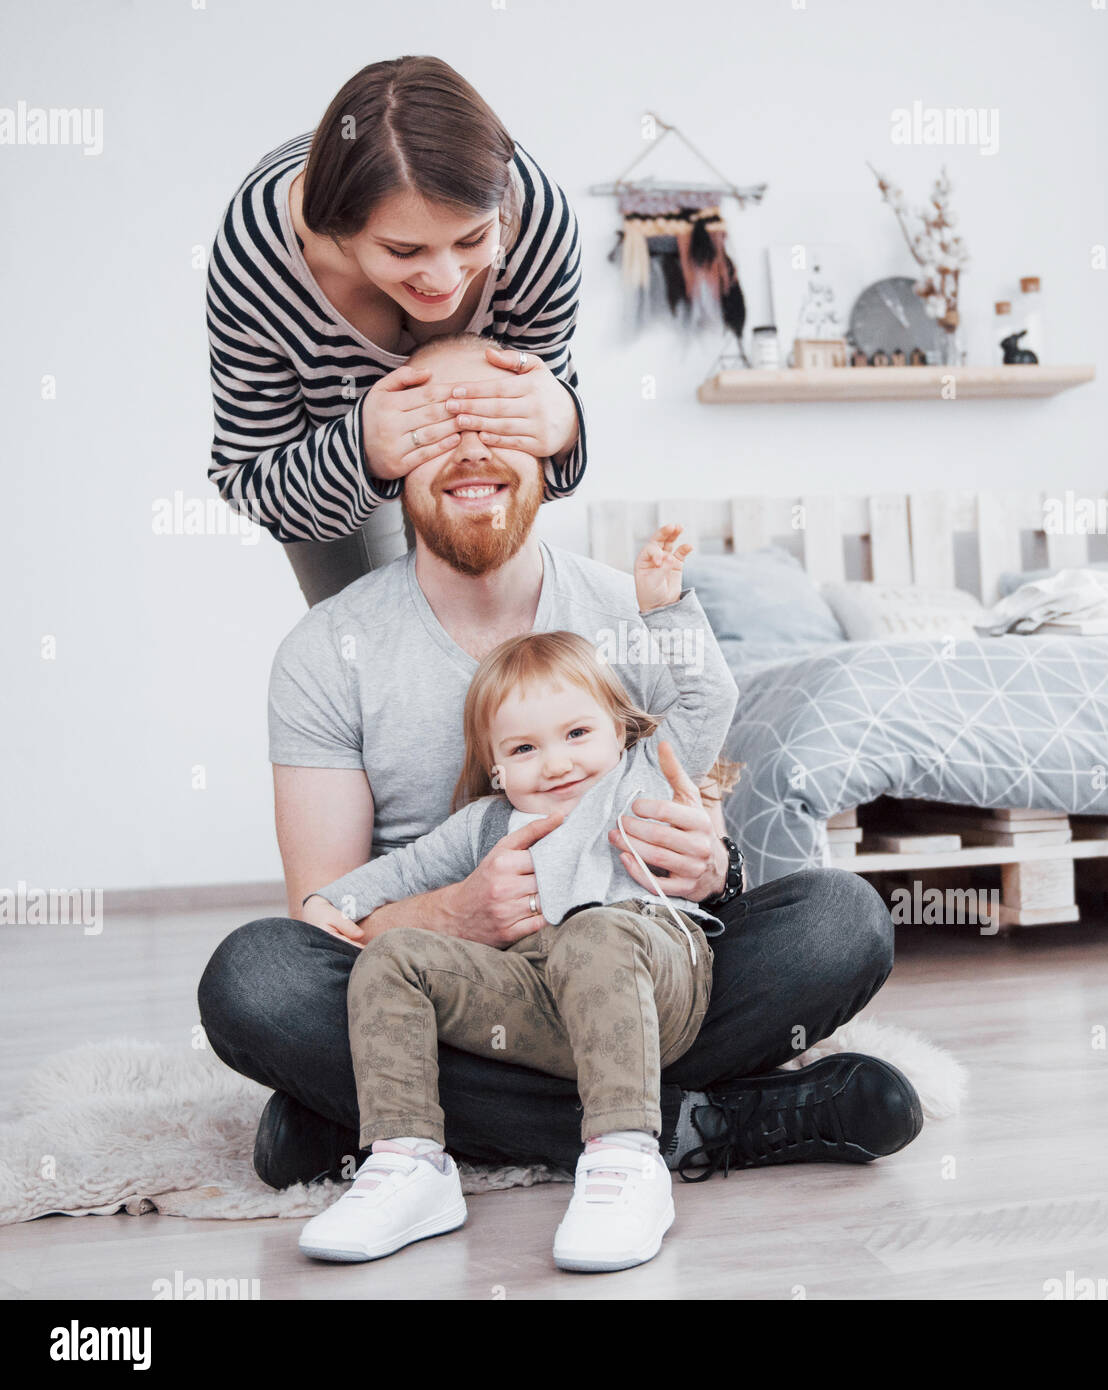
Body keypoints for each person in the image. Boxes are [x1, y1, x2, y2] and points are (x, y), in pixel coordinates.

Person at [197, 330, 922, 1197]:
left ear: (550, 446)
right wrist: (457, 914)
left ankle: (386, 1117)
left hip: (637, 959)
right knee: (257, 979)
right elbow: (322, 923)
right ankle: (711, 1121)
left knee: (839, 919)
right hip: (449, 987)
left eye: (499, 421)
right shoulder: (325, 650)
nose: (471, 452)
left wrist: (711, 869)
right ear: (389, 464)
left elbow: (695, 772)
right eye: (433, 428)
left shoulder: (635, 611)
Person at [297, 525, 735, 1271]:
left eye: (575, 733)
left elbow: (710, 694)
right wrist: (323, 906)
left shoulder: (639, 774)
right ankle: (410, 1164)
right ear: (496, 768)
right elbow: (390, 878)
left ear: (621, 730)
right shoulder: (489, 824)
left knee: (609, 933)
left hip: (652, 979)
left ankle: (628, 1157)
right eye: (525, 749)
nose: (557, 763)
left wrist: (667, 609)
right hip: (537, 1005)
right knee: (395, 955)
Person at [206, 55, 585, 606]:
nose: (445, 279)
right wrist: (361, 450)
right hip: (327, 470)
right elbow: (250, 478)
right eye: (403, 250)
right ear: (337, 230)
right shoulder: (256, 260)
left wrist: (566, 423)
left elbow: (543, 447)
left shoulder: (535, 221)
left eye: (472, 240)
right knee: (363, 641)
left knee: (491, 636)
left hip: (478, 476)